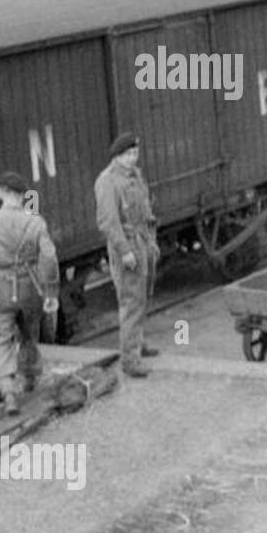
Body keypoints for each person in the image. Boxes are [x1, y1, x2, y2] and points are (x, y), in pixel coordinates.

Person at [0, 172, 59, 415]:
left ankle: (8, 392)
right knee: (29, 334)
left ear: (0, 193)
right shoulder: (35, 221)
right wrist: (51, 291)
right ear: (23, 196)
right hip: (29, 286)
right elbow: (49, 258)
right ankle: (30, 379)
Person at [94, 133, 158, 378]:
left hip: (144, 243)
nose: (133, 158)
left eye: (135, 153)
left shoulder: (135, 175)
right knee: (131, 301)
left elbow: (145, 208)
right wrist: (125, 252)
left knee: (143, 295)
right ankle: (130, 360)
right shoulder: (107, 181)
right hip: (128, 247)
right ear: (117, 156)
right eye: (128, 155)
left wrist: (151, 242)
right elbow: (108, 222)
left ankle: (139, 343)